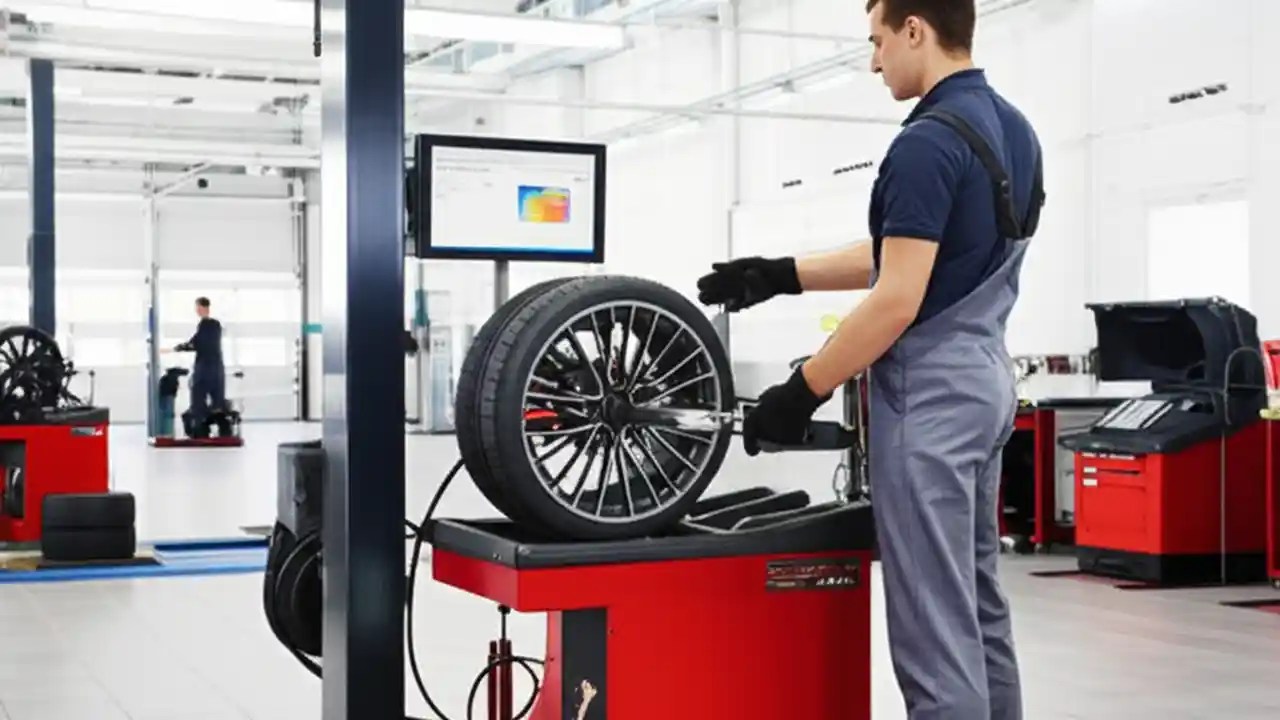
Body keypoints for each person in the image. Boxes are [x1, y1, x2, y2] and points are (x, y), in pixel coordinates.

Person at [696, 1, 1043, 719]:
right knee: (977, 607)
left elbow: (896, 300)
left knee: (933, 627)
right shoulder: (1014, 129)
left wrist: (802, 390)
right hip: (985, 384)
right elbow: (919, 250)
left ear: (915, 29)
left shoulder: (925, 143)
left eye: (878, 41)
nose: (874, 60)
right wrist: (782, 273)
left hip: (930, 400)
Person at [171, 296, 226, 427]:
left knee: (198, 396)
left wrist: (181, 347)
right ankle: (220, 424)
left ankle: (200, 425)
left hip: (205, 368)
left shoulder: (206, 324)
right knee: (217, 400)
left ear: (202, 307)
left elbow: (197, 343)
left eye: (197, 307)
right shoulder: (215, 325)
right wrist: (184, 346)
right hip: (217, 368)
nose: (197, 310)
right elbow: (198, 341)